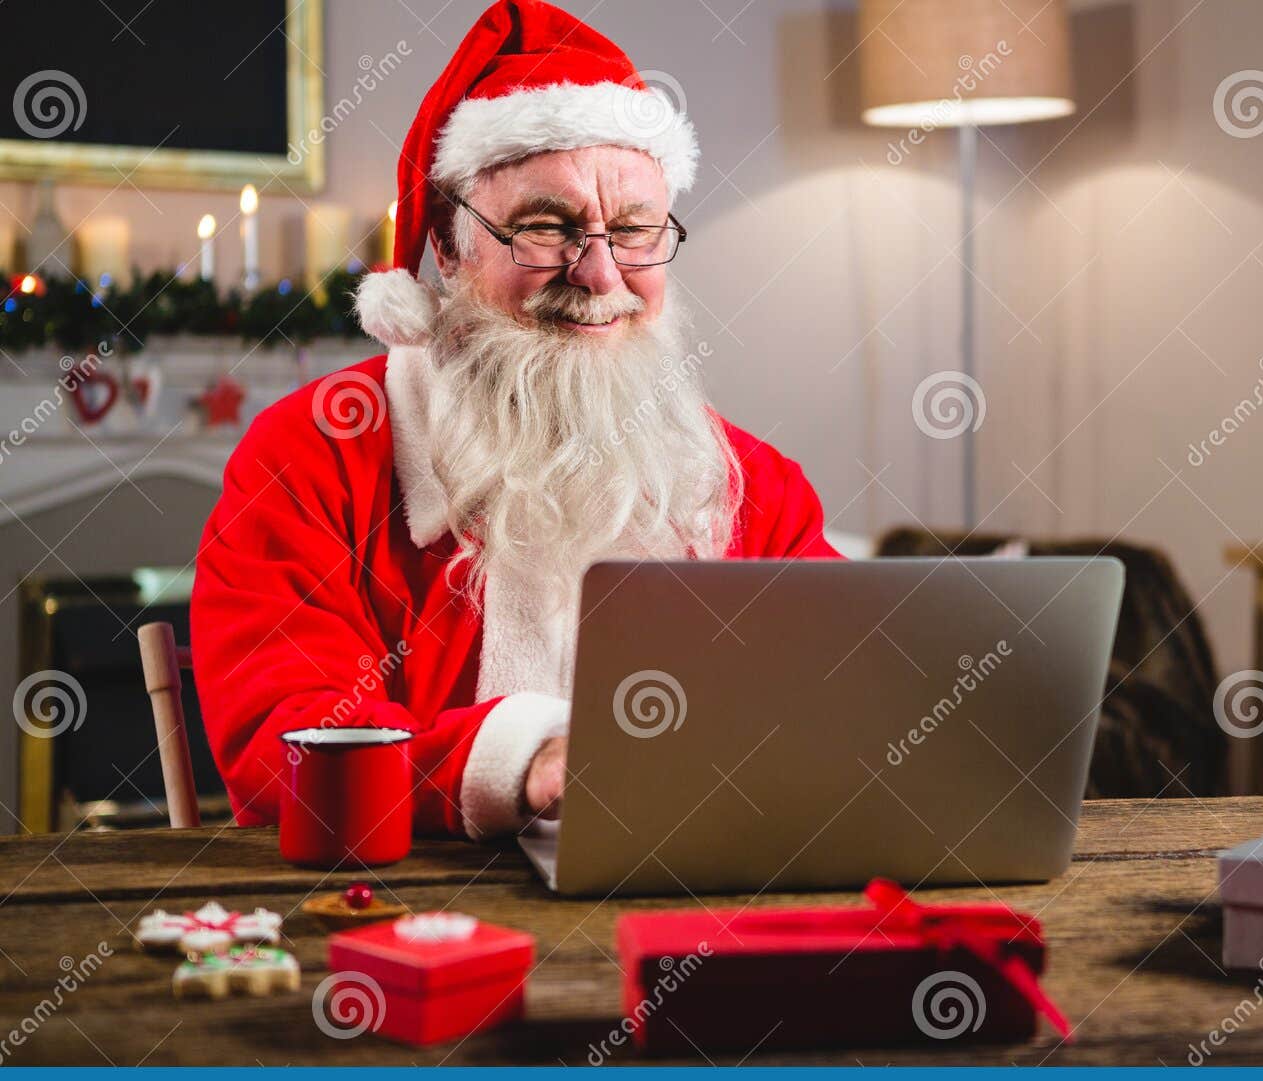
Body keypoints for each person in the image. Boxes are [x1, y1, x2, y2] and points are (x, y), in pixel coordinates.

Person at [191, 0, 838, 841]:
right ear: (452, 248)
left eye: (635, 231)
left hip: (697, 916)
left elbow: (839, 703)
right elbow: (295, 741)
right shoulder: (310, 454)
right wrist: (528, 760)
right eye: (546, 227)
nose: (600, 273)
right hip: (401, 929)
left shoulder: (756, 487)